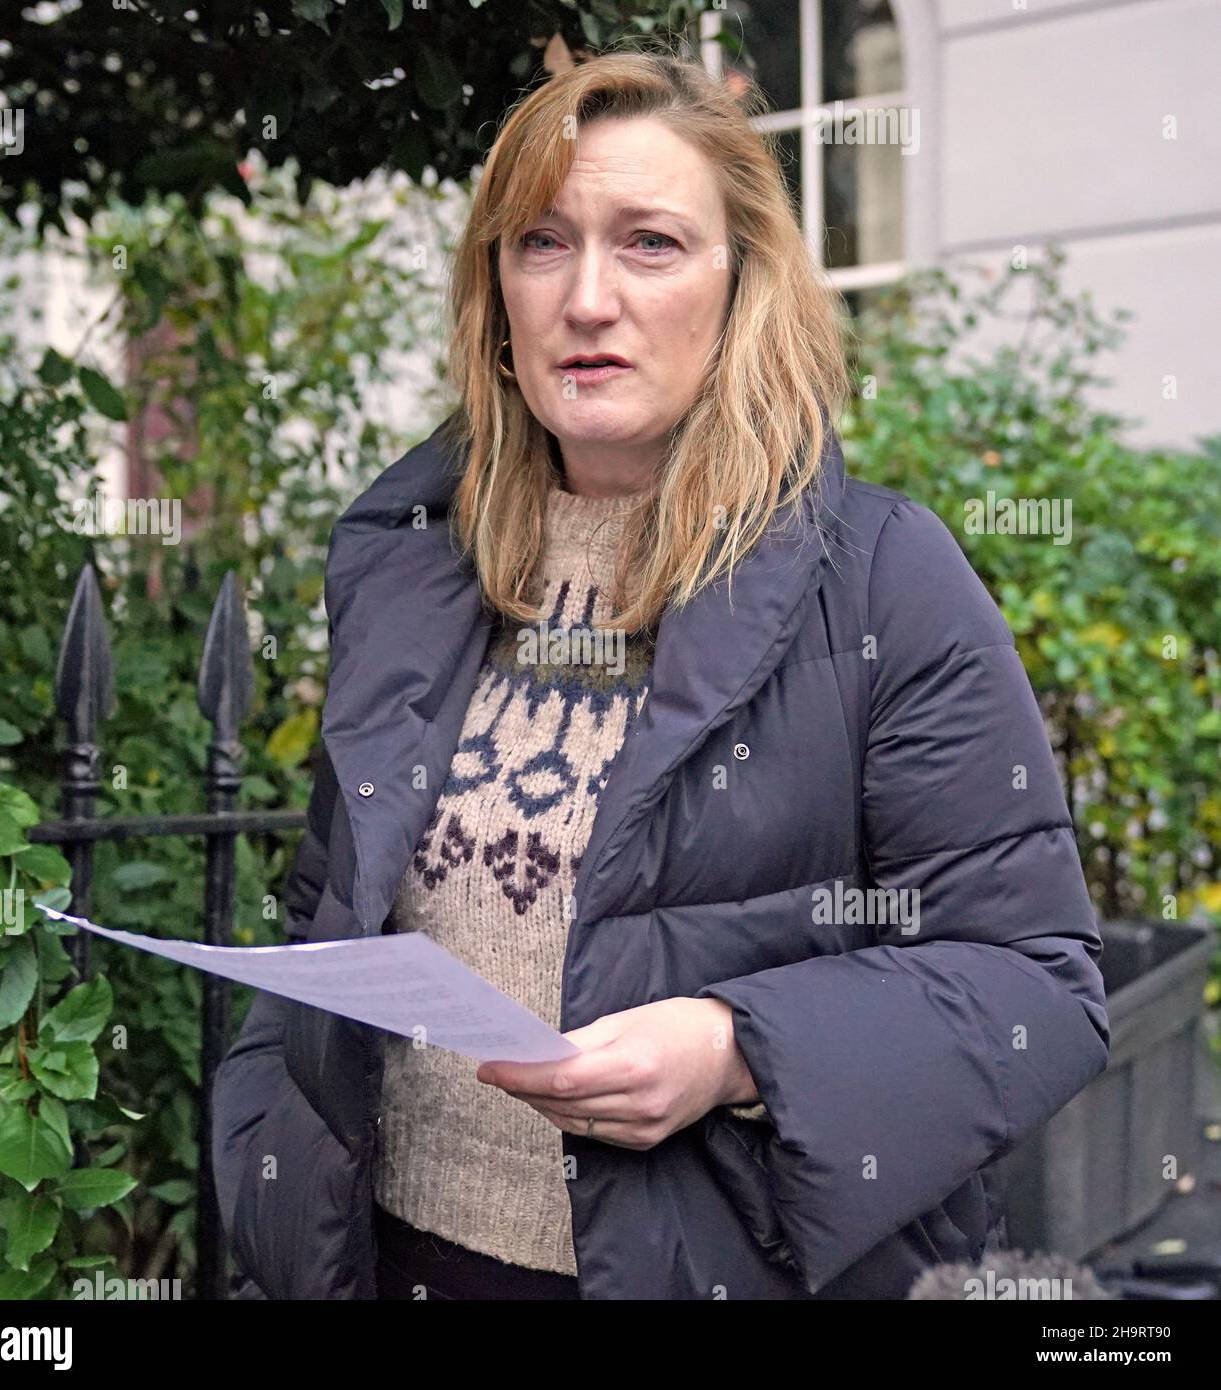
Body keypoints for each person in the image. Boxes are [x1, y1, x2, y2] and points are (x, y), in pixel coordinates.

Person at [210, 42, 1109, 1301]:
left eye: (648, 244)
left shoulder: (882, 577)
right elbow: (324, 923)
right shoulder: (411, 565)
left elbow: (1039, 984)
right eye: (540, 241)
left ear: (741, 285)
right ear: (496, 297)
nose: (586, 299)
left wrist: (741, 1047)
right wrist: (269, 1167)